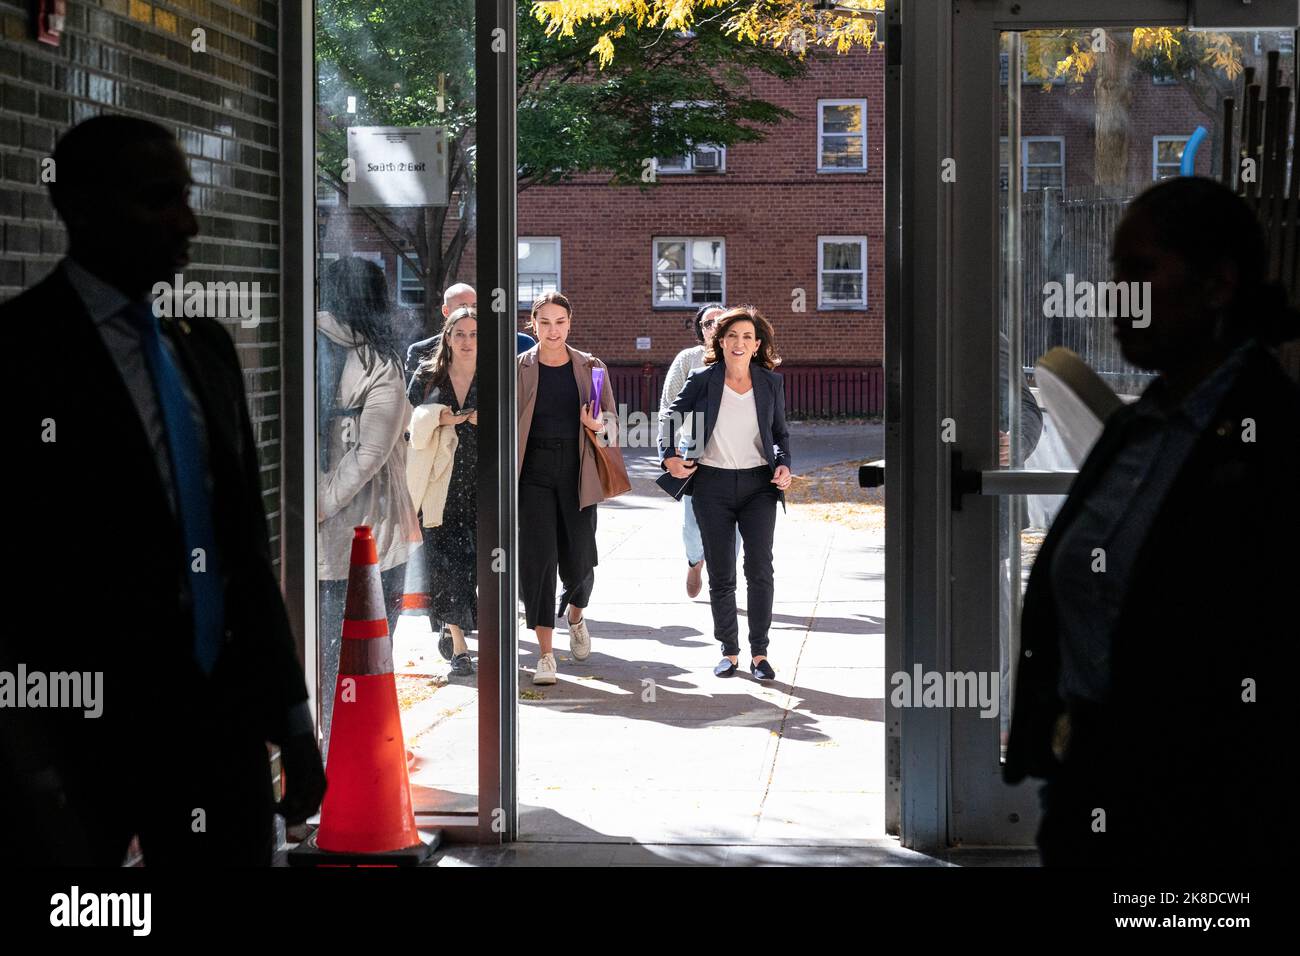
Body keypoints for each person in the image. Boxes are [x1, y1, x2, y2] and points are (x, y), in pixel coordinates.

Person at [1, 116, 324, 865]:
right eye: (158, 199)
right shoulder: (18, 354)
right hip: (81, 735)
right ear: (79, 208)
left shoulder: (204, 349)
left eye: (185, 195)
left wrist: (292, 715)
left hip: (219, 720)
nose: (189, 221)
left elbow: (243, 543)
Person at [1004, 176, 1300, 867]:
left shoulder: (1274, 438)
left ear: (1217, 284)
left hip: (1202, 815)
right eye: (1115, 272)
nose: (1118, 295)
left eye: (1140, 271)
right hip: (1093, 784)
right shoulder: (1143, 426)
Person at [316, 257, 421, 757]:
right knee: (367, 655)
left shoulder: (302, 340)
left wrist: (307, 506)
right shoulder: (381, 362)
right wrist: (322, 503)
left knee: (322, 655)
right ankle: (353, 754)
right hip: (369, 534)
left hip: (318, 542)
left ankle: (326, 752)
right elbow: (370, 456)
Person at [659, 306, 793, 682]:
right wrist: (668, 457)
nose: (739, 343)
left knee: (760, 569)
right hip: (711, 485)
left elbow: (779, 435)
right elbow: (671, 416)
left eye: (747, 337)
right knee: (721, 573)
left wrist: (783, 464)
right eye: (732, 336)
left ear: (757, 344)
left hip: (758, 487)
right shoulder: (704, 378)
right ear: (719, 341)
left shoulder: (770, 383)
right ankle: (729, 652)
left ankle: (760, 653)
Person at [516, 292, 620, 685]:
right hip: (533, 474)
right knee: (538, 561)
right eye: (545, 322)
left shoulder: (591, 369)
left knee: (580, 560)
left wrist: (596, 426)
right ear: (534, 324)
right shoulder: (519, 369)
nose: (553, 330)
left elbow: (611, 430)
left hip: (578, 473)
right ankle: (546, 653)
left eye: (560, 322)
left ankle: (576, 614)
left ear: (570, 324)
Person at [407, 305, 479, 677]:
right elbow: (411, 424)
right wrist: (442, 417)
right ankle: (459, 644)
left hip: (483, 481)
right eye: (459, 334)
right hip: (441, 483)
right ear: (447, 338)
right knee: (447, 562)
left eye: (473, 334)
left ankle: (459, 627)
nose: (466, 341)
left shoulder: (496, 374)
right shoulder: (428, 375)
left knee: (476, 562)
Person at [660, 303, 739, 598]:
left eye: (721, 321)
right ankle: (695, 562)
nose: (715, 327)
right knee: (693, 524)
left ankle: (725, 581)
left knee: (736, 525)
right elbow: (668, 408)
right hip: (693, 449)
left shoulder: (744, 357)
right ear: (700, 330)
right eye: (708, 323)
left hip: (737, 451)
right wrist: (671, 452)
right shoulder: (688, 360)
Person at [404, 283, 535, 404]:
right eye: (463, 306)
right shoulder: (421, 352)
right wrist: (437, 417)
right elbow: (410, 410)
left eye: (475, 306)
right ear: (445, 311)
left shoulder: (516, 344)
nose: (470, 311)